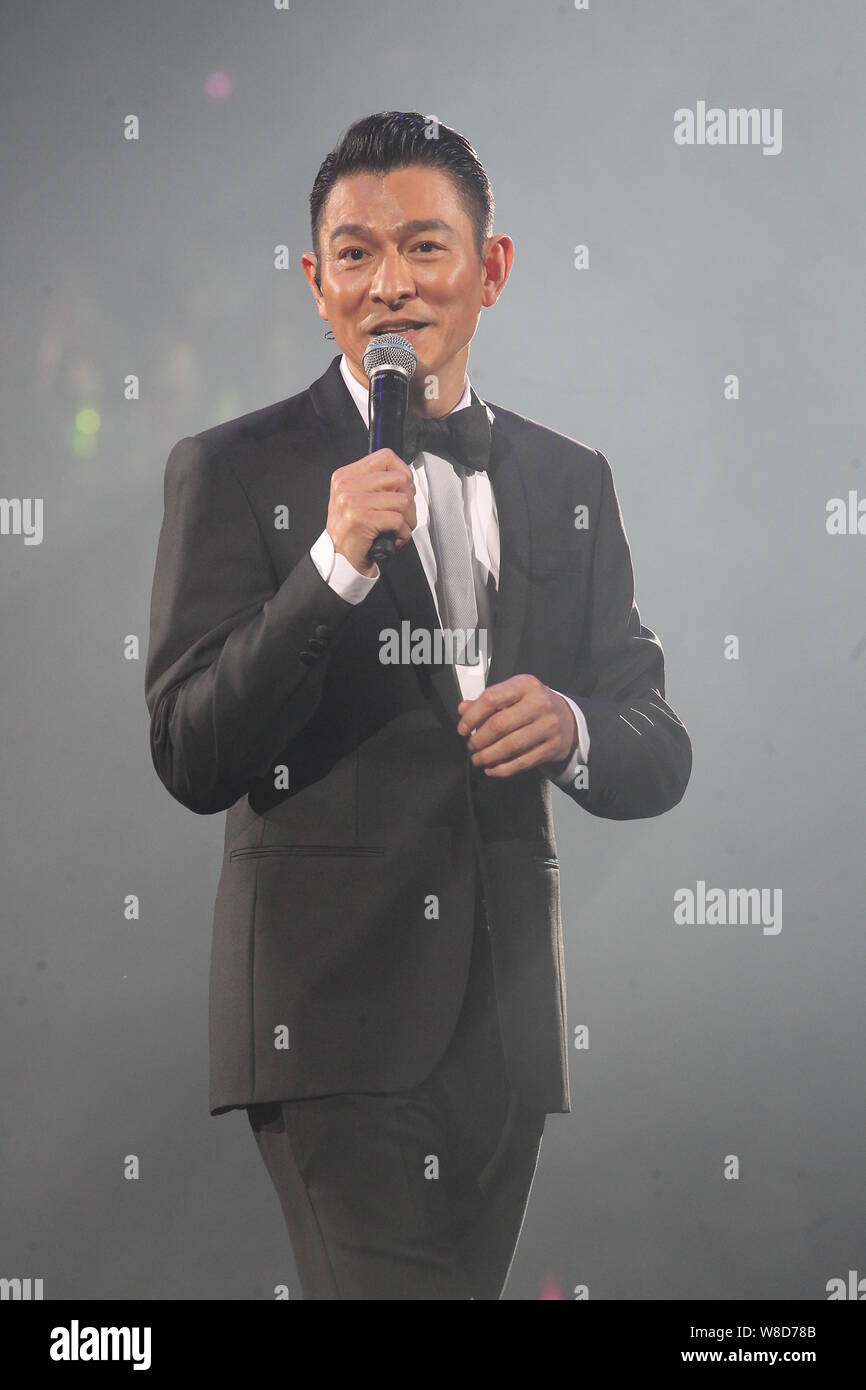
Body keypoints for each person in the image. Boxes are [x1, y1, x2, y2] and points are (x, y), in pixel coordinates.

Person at [144, 111, 692, 1300]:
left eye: (423, 248)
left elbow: (655, 741)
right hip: (328, 1022)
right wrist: (330, 568)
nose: (388, 284)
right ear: (314, 282)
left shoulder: (565, 476)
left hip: (504, 1028)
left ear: (490, 270)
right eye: (353, 254)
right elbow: (189, 749)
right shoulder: (233, 467)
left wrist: (572, 726)